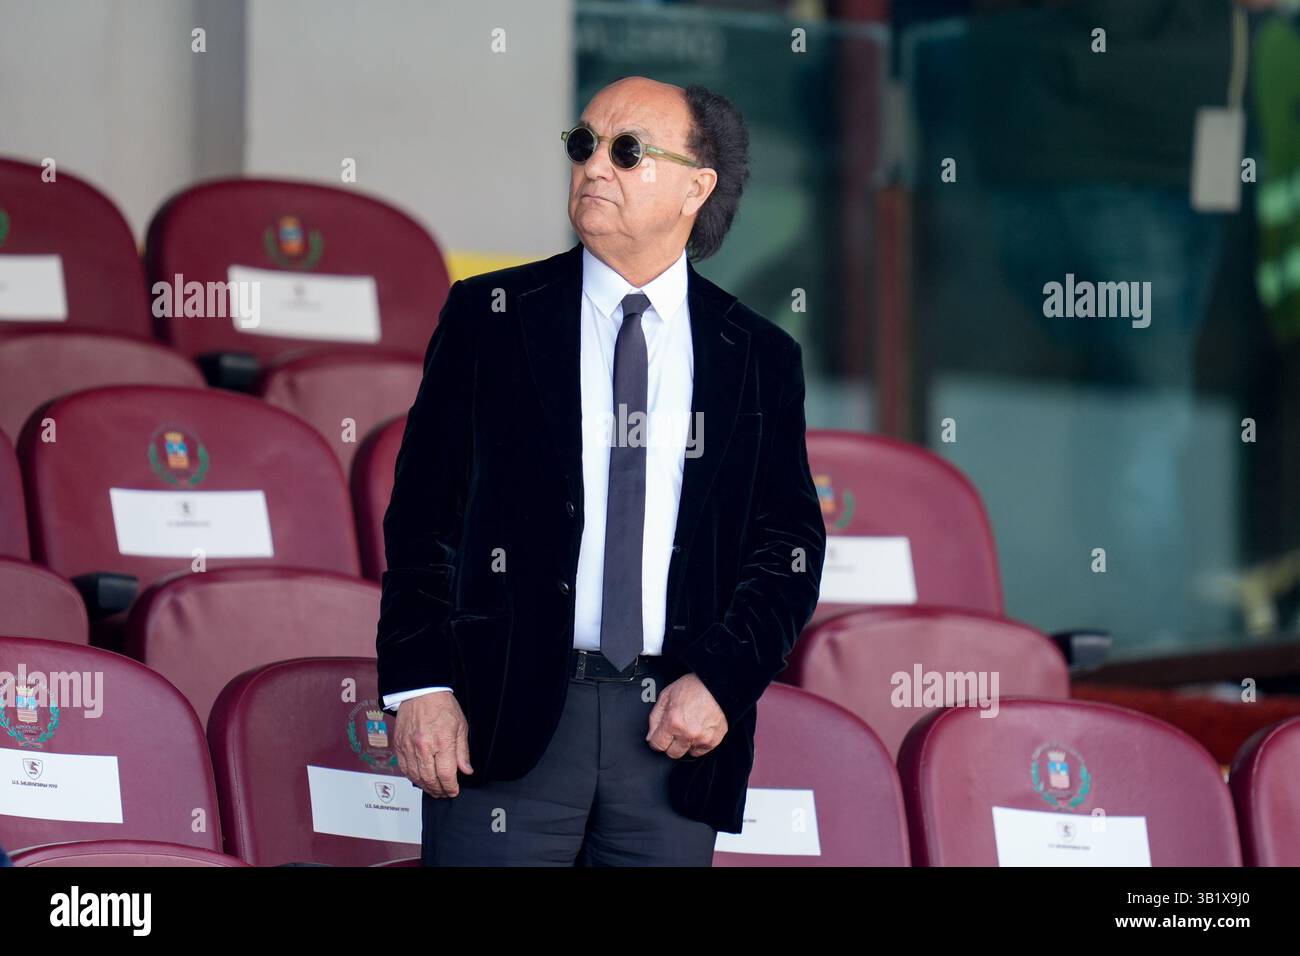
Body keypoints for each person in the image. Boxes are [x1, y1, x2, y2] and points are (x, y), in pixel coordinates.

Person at [376, 76, 826, 866]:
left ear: (697, 187)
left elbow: (786, 548)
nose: (593, 167)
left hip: (672, 734)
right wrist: (420, 686)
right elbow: (422, 518)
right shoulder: (490, 317)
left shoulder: (759, 355)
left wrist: (722, 681)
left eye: (627, 152)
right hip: (502, 717)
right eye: (582, 145)